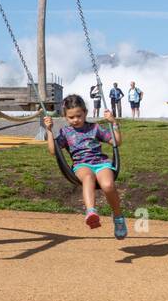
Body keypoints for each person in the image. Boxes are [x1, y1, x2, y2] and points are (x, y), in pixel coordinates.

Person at [44, 95, 126, 239]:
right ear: (65, 117)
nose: (75, 120)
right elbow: (53, 151)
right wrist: (49, 130)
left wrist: (113, 123)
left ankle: (118, 217)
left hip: (101, 163)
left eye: (79, 116)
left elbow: (116, 142)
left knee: (107, 185)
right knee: (88, 177)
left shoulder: (94, 128)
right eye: (71, 117)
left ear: (85, 113)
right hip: (81, 165)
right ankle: (91, 212)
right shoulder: (65, 132)